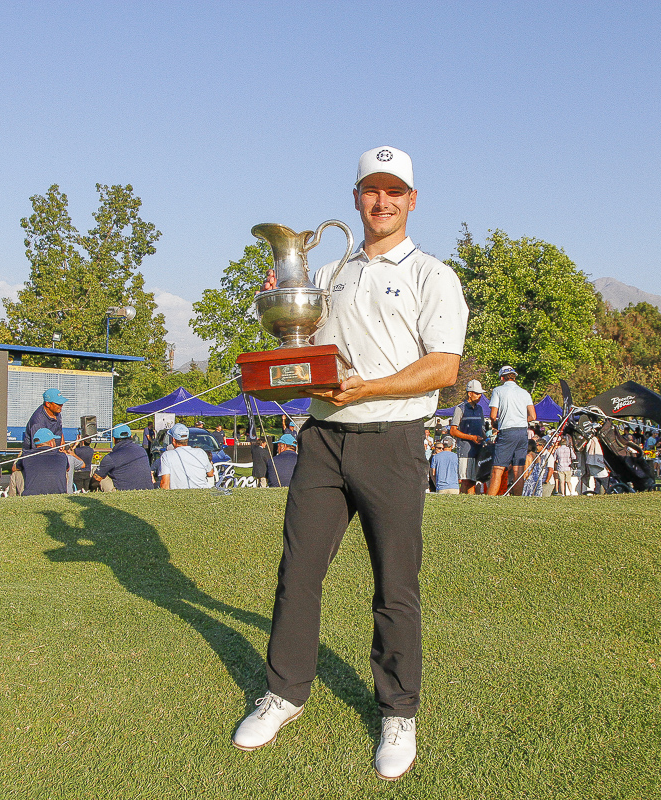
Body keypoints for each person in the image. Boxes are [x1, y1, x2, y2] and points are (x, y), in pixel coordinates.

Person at [233, 146, 468, 782]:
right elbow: (307, 349)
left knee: (395, 583)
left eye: (395, 192)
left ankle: (398, 710)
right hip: (324, 438)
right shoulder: (331, 270)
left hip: (391, 439)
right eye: (371, 191)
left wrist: (370, 389)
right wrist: (283, 307)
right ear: (356, 198)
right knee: (298, 571)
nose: (382, 202)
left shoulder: (432, 276)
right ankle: (284, 693)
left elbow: (443, 367)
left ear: (412, 201)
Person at [486, 366, 536, 496]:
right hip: (522, 431)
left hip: (507, 431)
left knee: (498, 468)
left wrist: (494, 424)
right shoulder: (525, 392)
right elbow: (533, 416)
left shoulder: (498, 390)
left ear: (502, 377)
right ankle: (517, 501)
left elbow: (493, 415)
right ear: (514, 377)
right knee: (518, 469)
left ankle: (489, 500)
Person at [11, 388, 68, 496]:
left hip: (53, 451)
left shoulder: (56, 412)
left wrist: (63, 446)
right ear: (48, 404)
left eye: (61, 403)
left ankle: (66, 494)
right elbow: (39, 448)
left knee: (69, 462)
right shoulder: (37, 422)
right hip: (35, 455)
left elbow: (60, 430)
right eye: (58, 403)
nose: (61, 406)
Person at [448, 380, 487, 493]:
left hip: (478, 450)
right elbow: (453, 431)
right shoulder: (460, 408)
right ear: (470, 393)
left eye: (480, 393)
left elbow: (482, 430)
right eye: (477, 393)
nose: (480, 396)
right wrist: (472, 438)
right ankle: (464, 503)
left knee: (474, 480)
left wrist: (487, 440)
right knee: (466, 480)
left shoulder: (480, 409)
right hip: (465, 449)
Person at [95, 424, 154, 491]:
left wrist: (92, 487)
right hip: (147, 489)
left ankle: (89, 491)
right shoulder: (142, 450)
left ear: (113, 439)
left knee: (96, 471)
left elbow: (96, 478)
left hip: (123, 490)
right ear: (131, 436)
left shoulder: (111, 457)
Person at [158, 425, 214, 489]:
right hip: (203, 491)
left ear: (173, 440)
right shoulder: (201, 452)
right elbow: (210, 474)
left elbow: (165, 483)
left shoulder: (167, 455)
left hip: (179, 494)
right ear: (187, 439)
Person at [20, 428, 72, 496]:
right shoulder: (62, 456)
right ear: (51, 443)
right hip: (58, 494)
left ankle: (13, 494)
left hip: (31, 495)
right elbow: (68, 469)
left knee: (17, 472)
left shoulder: (26, 455)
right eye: (54, 441)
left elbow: (14, 468)